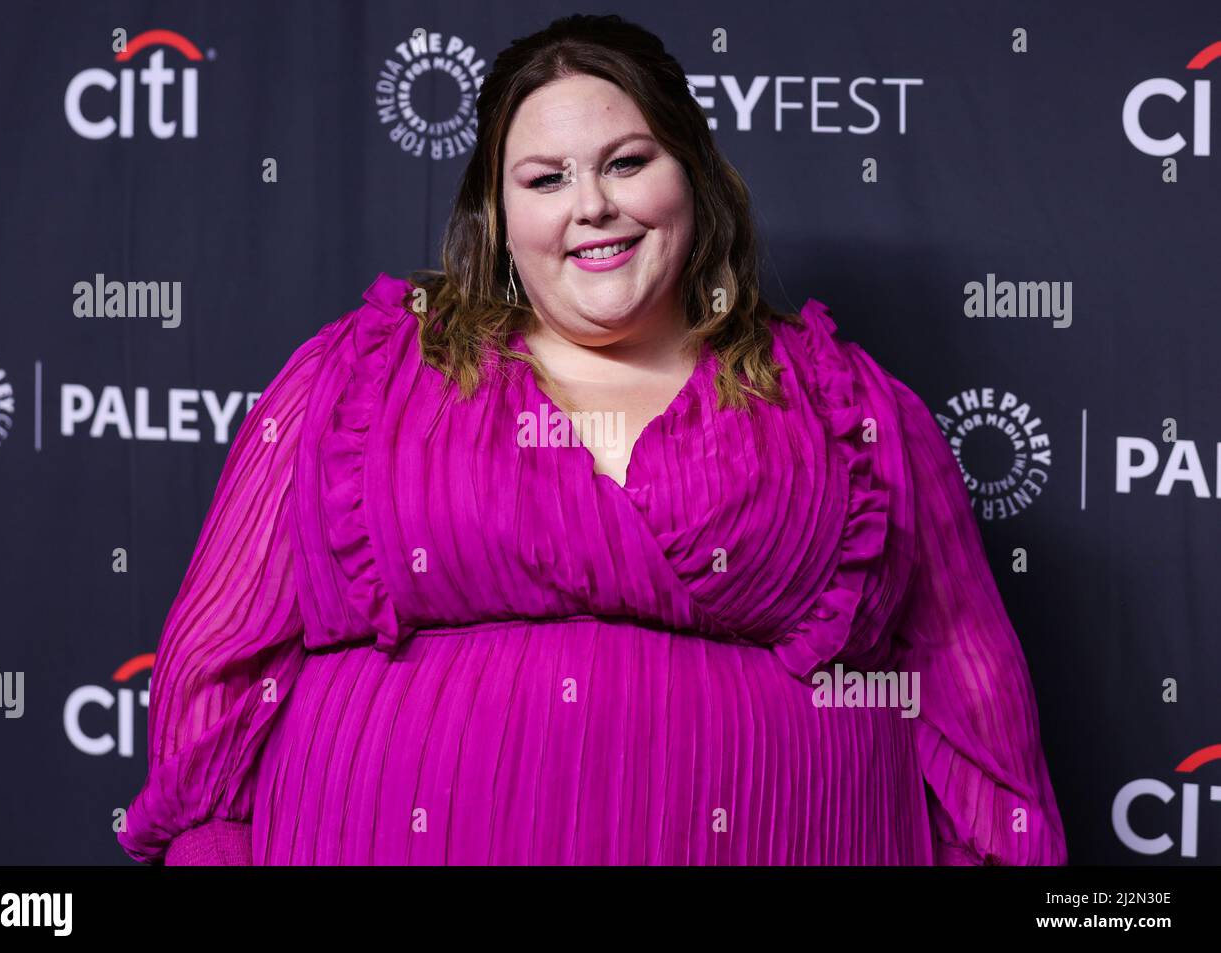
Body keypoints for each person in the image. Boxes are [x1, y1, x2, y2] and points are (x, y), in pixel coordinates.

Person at [117, 14, 1067, 865]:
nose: (592, 206)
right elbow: (222, 658)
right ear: (499, 213)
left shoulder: (850, 404)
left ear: (694, 175)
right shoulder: (360, 375)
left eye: (626, 162)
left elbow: (968, 689)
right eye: (546, 178)